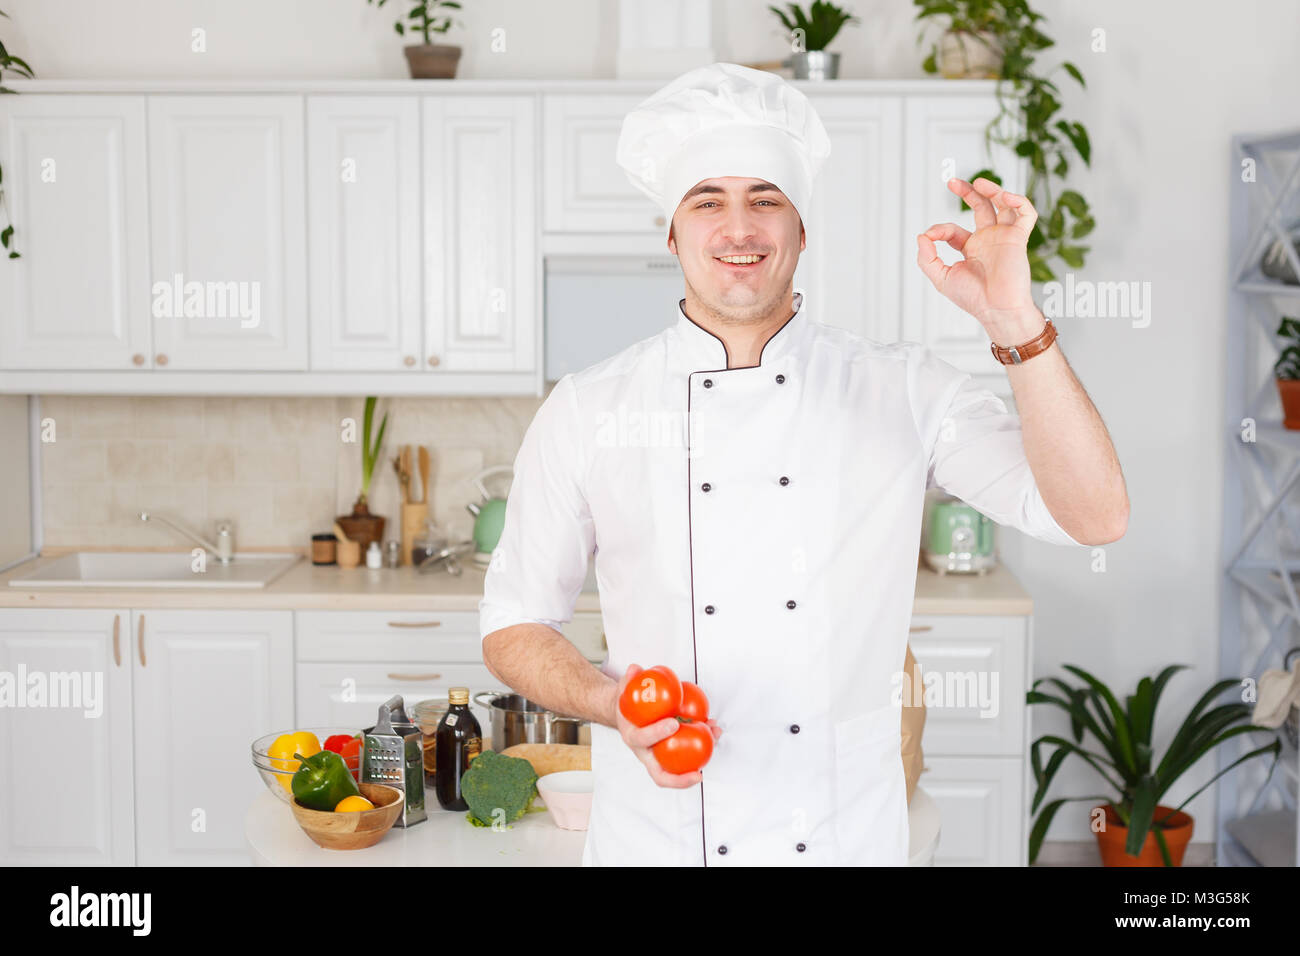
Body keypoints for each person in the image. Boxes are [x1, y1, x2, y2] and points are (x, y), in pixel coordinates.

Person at [480, 62, 1128, 866]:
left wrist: (1015, 319)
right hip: (660, 838)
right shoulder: (589, 406)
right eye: (707, 200)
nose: (739, 228)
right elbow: (513, 624)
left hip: (840, 837)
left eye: (766, 199)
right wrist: (608, 703)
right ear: (673, 232)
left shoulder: (903, 388)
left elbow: (1095, 515)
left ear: (802, 230)